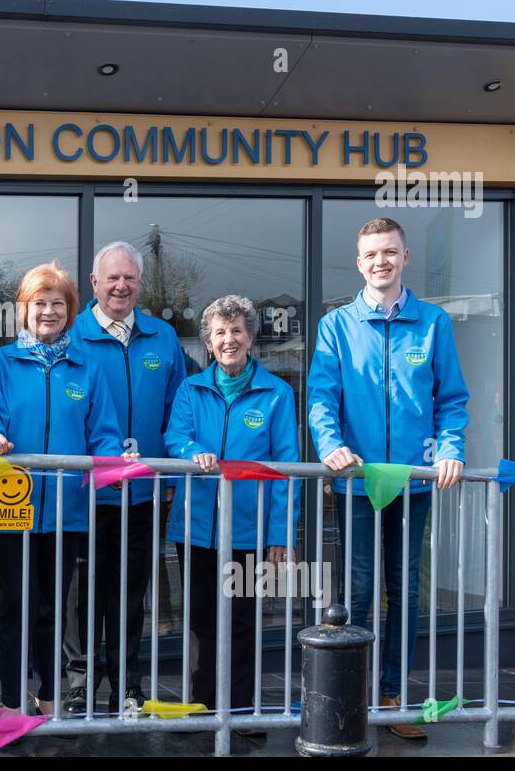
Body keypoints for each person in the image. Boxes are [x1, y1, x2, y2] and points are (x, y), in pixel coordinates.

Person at [307, 217, 469, 740]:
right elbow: (320, 397)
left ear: (406, 257)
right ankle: (351, 697)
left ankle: (392, 696)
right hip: (355, 480)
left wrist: (449, 450)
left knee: (405, 590)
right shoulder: (336, 325)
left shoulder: (433, 322)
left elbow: (452, 400)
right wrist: (330, 445)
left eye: (390, 252)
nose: (381, 261)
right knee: (355, 590)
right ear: (359, 263)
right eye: (372, 254)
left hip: (417, 481)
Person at [0, 261, 123, 715]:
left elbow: (105, 432)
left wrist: (116, 459)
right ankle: (14, 703)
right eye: (40, 303)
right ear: (23, 308)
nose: (49, 311)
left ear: (71, 310)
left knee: (51, 611)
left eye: (59, 303)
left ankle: (50, 696)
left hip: (67, 509)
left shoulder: (88, 368)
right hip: (10, 506)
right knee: (14, 610)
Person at [165, 295, 298, 726]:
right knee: (202, 621)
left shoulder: (277, 393)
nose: (229, 340)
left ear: (250, 337)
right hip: (198, 529)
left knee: (242, 623)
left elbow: (286, 467)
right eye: (220, 333)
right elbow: (175, 437)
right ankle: (203, 711)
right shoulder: (191, 388)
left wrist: (280, 533)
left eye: (237, 331)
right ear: (207, 342)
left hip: (249, 532)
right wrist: (193, 451)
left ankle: (240, 714)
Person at [65, 241, 186, 714]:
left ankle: (126, 682)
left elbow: (179, 410)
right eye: (111, 278)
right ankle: (79, 680)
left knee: (131, 592)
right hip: (86, 491)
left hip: (144, 491)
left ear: (139, 283)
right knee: (81, 593)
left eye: (130, 278)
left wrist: (174, 467)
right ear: (93, 284)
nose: (121, 285)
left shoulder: (163, 337)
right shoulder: (72, 335)